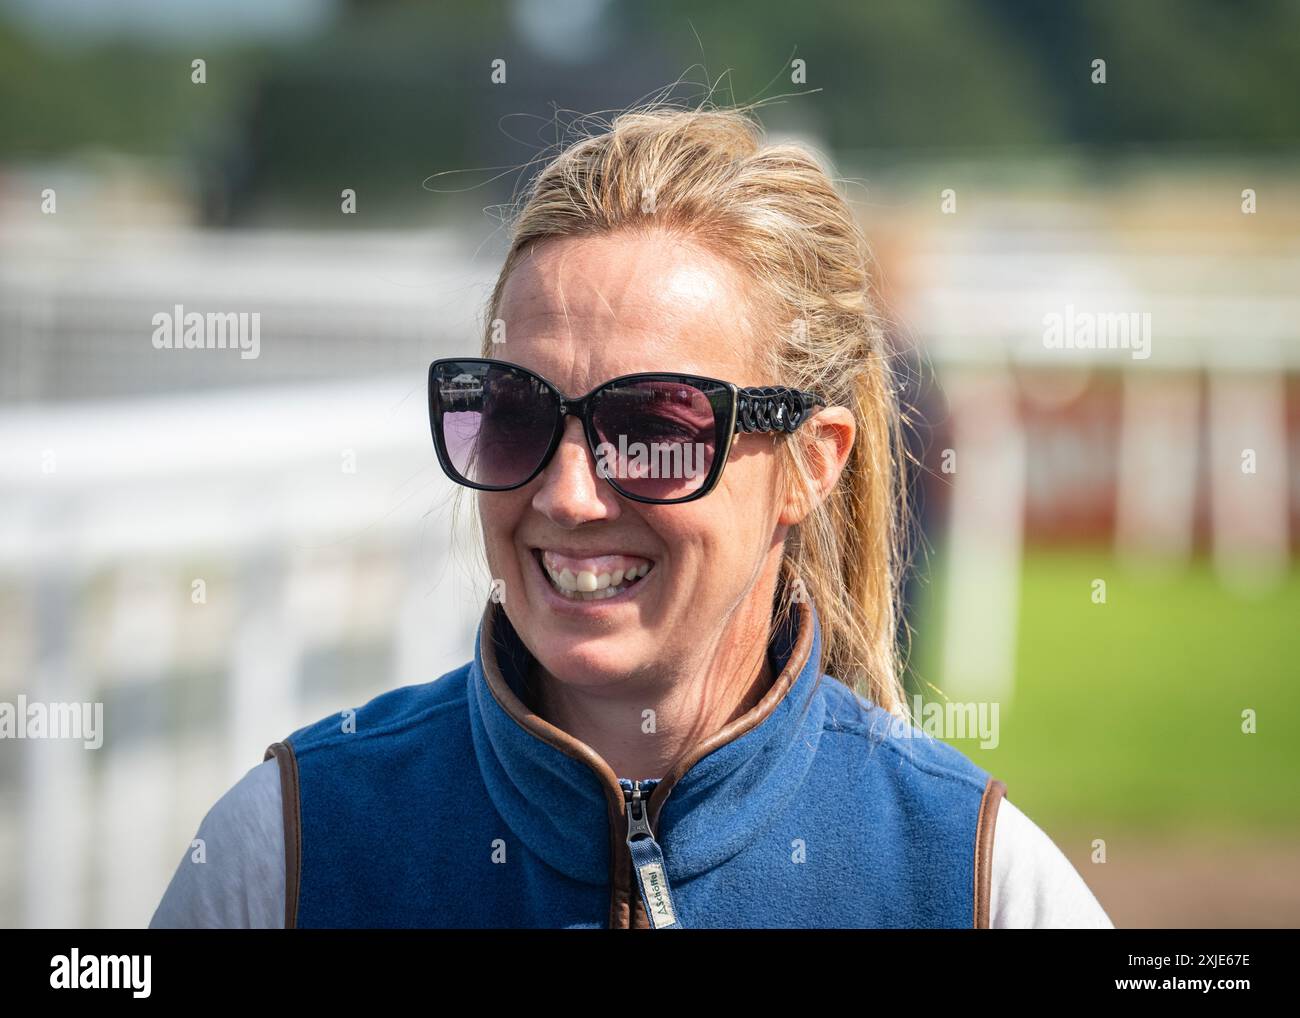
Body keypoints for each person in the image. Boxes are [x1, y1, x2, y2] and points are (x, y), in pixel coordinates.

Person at [151, 101, 1112, 929]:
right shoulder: (288, 850)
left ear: (811, 465)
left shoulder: (975, 882)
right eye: (519, 412)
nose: (569, 494)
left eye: (655, 424)